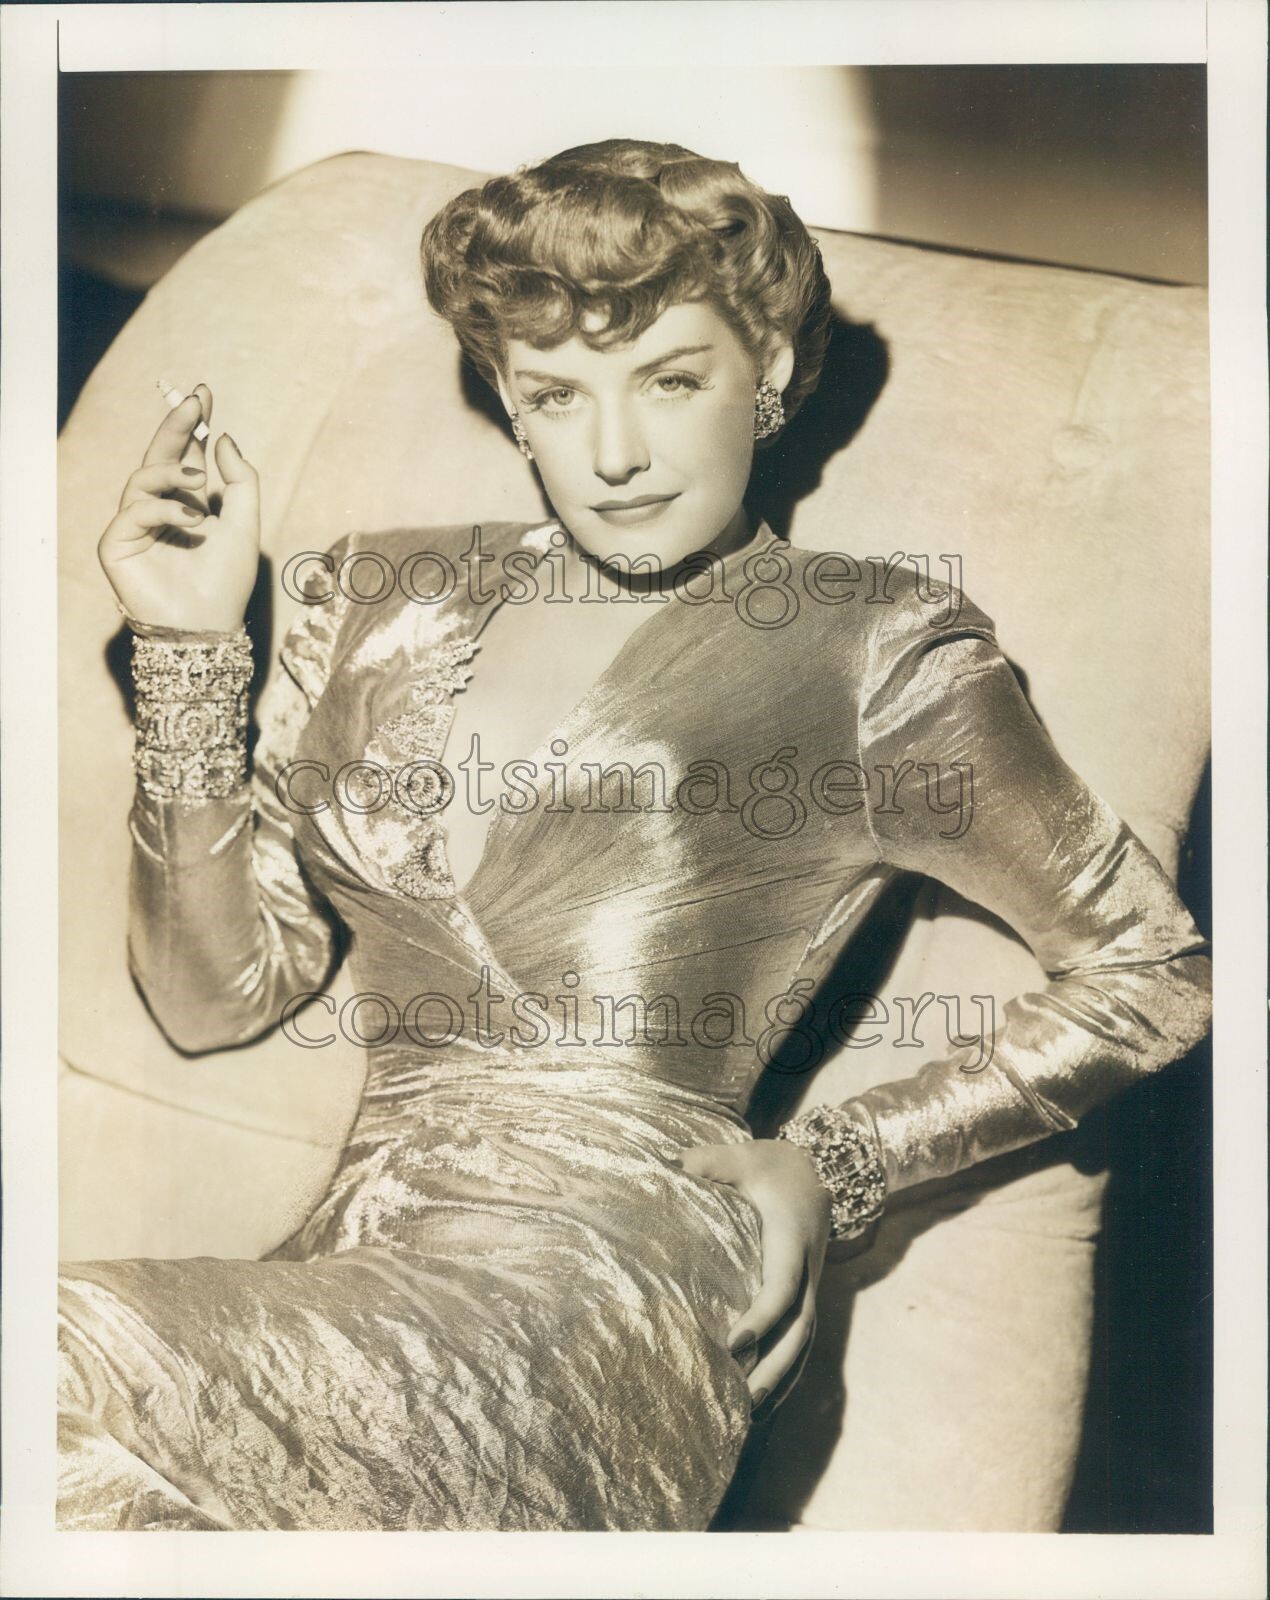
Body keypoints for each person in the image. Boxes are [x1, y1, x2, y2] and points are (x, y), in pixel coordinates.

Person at [57, 138, 1212, 1532]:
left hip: (620, 1295)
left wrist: (840, 1161)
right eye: (555, 392)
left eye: (670, 380)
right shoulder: (370, 597)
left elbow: (1151, 973)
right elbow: (213, 996)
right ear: (508, 397)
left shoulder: (875, 647)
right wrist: (188, 649)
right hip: (353, 1272)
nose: (612, 455)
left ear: (766, 370)